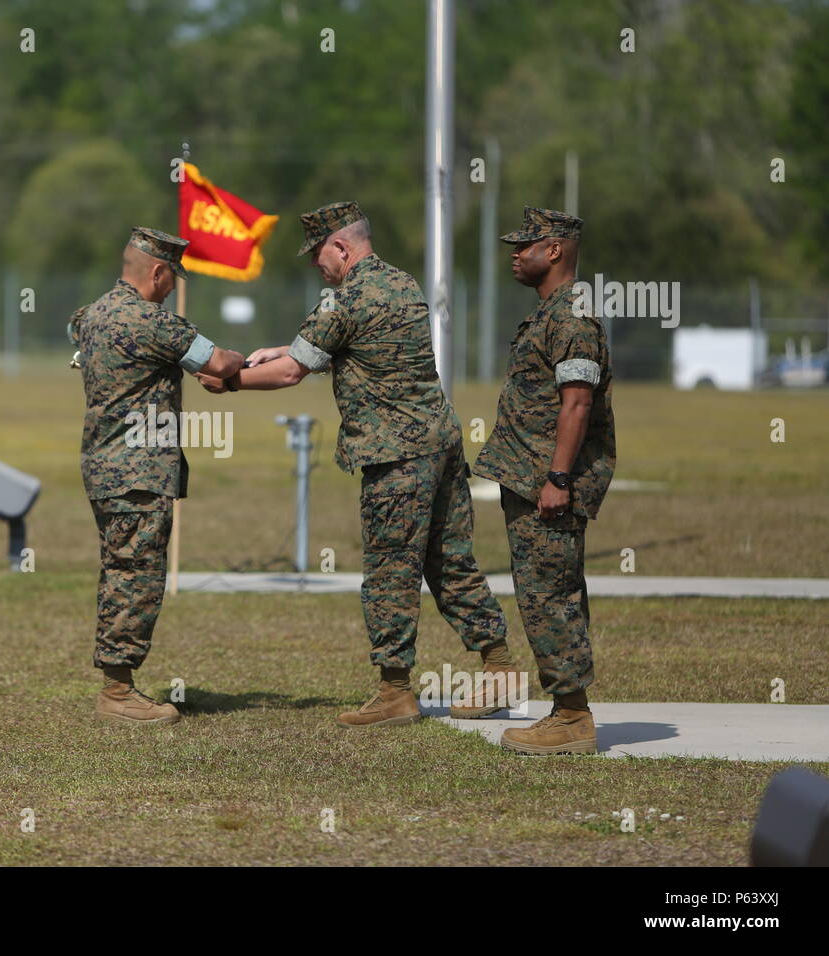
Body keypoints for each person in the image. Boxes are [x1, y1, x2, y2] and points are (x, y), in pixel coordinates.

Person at [197, 202, 516, 728]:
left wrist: (228, 381)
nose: (314, 266)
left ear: (342, 247)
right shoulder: (402, 284)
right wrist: (270, 351)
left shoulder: (344, 300)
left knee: (391, 570)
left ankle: (395, 692)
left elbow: (289, 375)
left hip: (395, 457)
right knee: (449, 559)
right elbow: (338, 349)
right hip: (440, 445)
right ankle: (499, 666)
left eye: (318, 255)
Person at [72, 227, 245, 725]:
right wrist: (236, 364)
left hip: (103, 464)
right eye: (172, 278)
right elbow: (217, 361)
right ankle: (118, 692)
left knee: (118, 569)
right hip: (140, 470)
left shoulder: (92, 315)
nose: (172, 288)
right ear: (157, 271)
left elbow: (76, 341)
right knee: (137, 577)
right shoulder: (152, 322)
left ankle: (118, 684)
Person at [473, 205, 616, 755]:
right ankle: (566, 710)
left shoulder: (572, 318)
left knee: (549, 595)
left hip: (548, 484)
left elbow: (577, 404)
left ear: (554, 250)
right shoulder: (552, 313)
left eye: (524, 245)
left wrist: (558, 478)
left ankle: (571, 717)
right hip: (530, 477)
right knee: (542, 592)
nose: (515, 254)